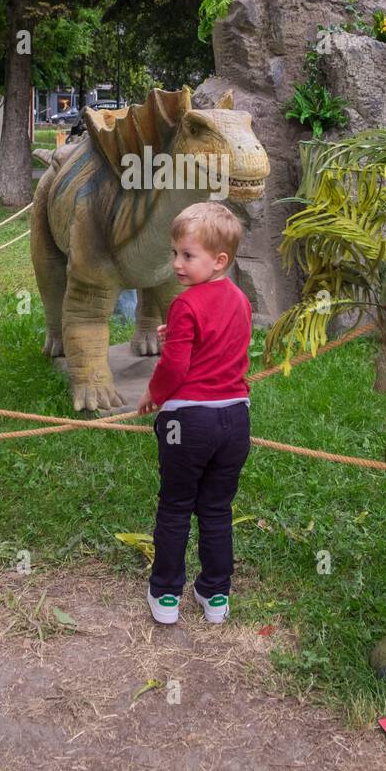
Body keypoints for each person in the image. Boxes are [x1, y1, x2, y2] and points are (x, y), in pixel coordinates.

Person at [137, 201, 253, 626]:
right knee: (217, 510)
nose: (178, 264)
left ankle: (166, 595)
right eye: (175, 254)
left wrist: (154, 394)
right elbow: (223, 339)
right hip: (235, 420)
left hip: (188, 424)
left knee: (175, 506)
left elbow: (175, 367)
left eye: (188, 255)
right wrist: (181, 332)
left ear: (219, 259)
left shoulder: (184, 305)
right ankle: (215, 595)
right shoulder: (240, 300)